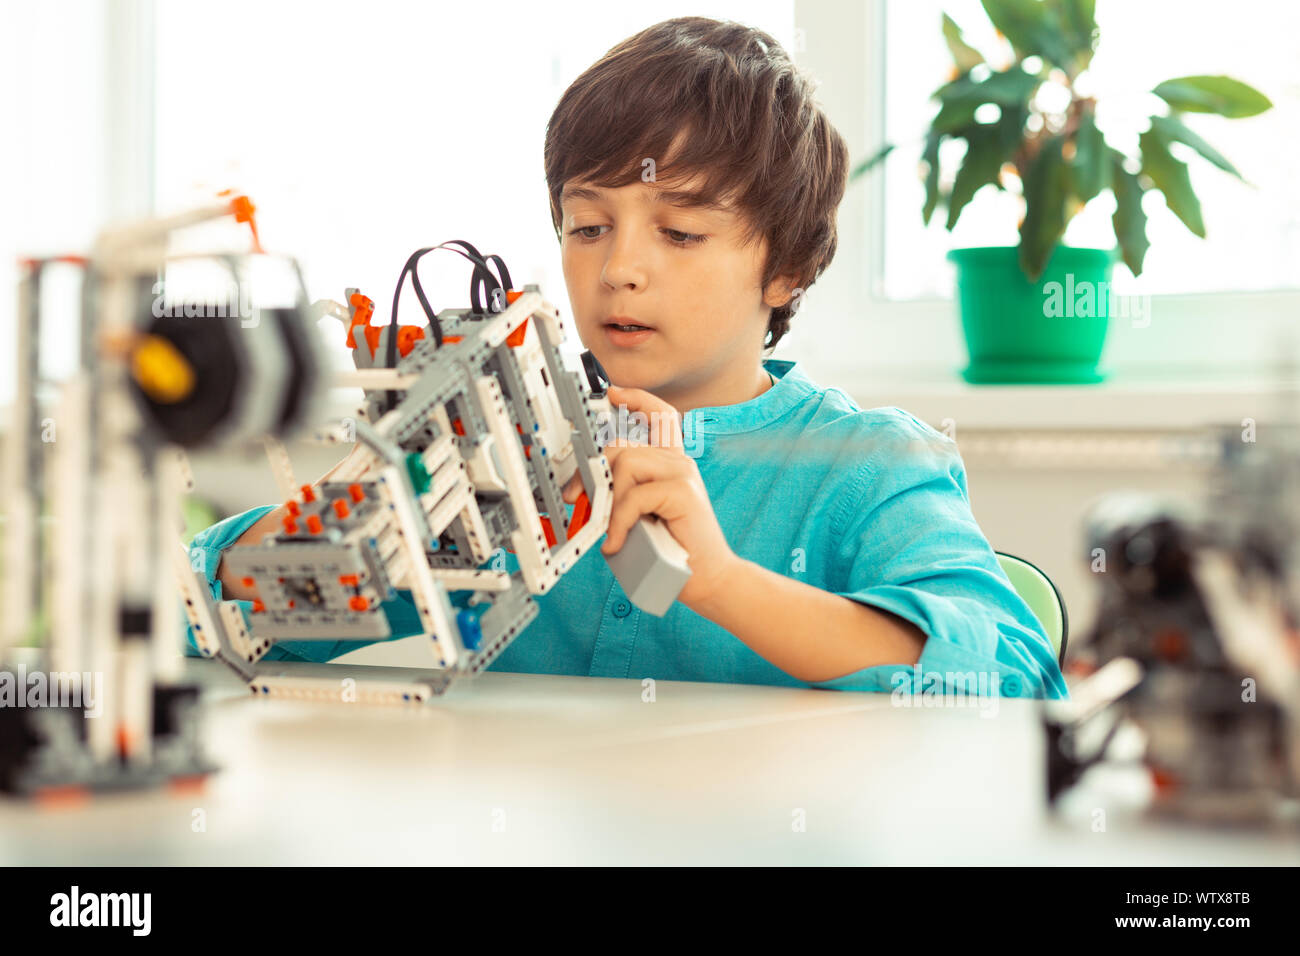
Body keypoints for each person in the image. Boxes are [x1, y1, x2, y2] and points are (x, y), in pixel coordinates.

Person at [182, 16, 1067, 698]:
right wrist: (356, 513)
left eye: (680, 232)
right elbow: (206, 621)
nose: (619, 270)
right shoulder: (505, 463)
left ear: (786, 269)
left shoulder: (868, 465)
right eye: (588, 226)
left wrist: (720, 582)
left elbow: (1008, 684)